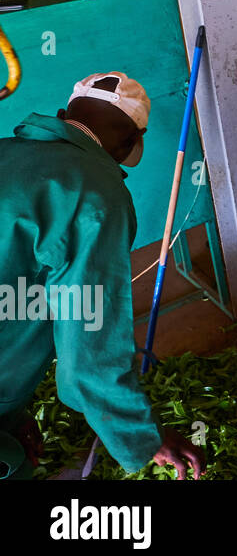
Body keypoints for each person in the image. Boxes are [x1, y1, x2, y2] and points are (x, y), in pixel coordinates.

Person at [0, 73, 206, 480]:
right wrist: (142, 434)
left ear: (63, 116)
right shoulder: (95, 198)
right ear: (130, 144)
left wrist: (11, 416)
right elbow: (88, 342)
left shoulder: (5, 152)